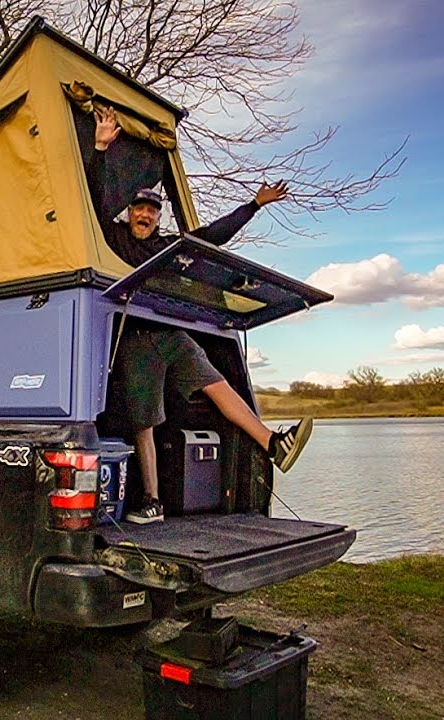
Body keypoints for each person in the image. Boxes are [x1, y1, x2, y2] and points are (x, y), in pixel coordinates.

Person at [88, 106, 312, 525]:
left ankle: (273, 443)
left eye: (152, 211)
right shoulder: (114, 235)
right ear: (130, 212)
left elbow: (214, 236)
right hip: (135, 338)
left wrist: (254, 205)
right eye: (140, 208)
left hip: (173, 334)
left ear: (157, 218)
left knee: (218, 385)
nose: (145, 215)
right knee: (145, 421)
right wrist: (100, 147)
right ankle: (152, 500)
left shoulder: (169, 247)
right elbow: (95, 195)